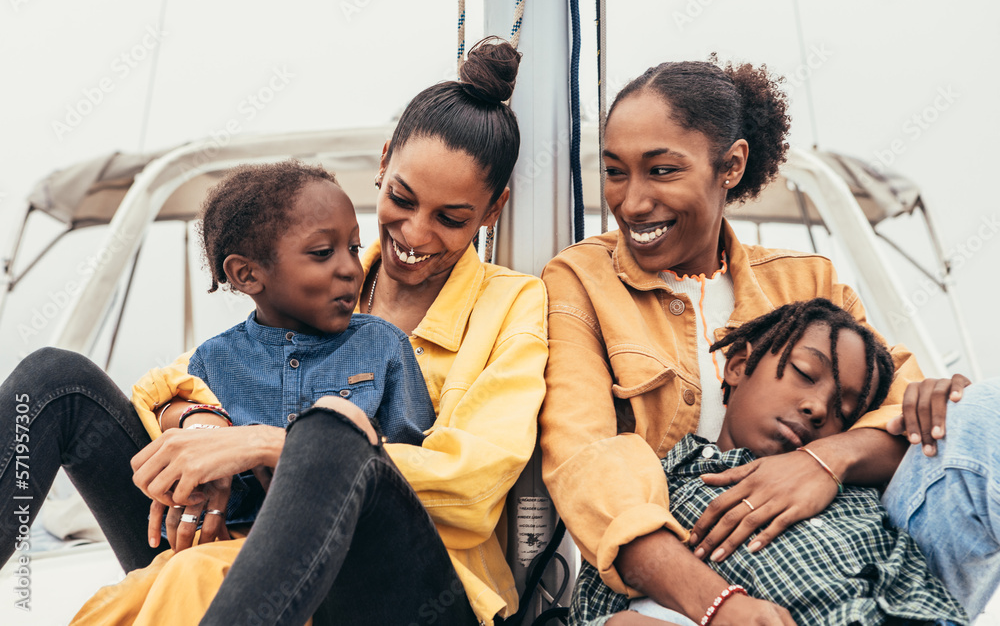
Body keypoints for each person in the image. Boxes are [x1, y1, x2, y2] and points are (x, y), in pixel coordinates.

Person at [2, 36, 547, 626]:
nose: (414, 234)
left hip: (400, 591)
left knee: (335, 432)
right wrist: (200, 424)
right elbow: (170, 381)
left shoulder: (512, 304)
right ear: (384, 163)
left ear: (493, 211)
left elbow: (471, 488)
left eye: (452, 218)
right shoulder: (316, 289)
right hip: (236, 540)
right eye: (401, 198)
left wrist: (269, 444)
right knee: (52, 381)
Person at [539, 57, 986, 625]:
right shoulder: (582, 280)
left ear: (730, 165)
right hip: (684, 583)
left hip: (843, 557)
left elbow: (905, 411)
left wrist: (826, 460)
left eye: (662, 171)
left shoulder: (810, 282)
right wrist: (719, 606)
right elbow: (586, 459)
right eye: (615, 171)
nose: (631, 202)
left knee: (982, 415)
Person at [568, 299, 968, 626]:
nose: (817, 408)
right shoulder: (661, 478)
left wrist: (949, 405)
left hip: (924, 615)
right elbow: (604, 600)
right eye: (804, 373)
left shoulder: (857, 486)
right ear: (739, 365)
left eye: (842, 412)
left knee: (981, 407)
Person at [141, 160, 436, 550]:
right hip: (231, 553)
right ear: (246, 275)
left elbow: (417, 478)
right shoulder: (211, 362)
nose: (351, 268)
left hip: (352, 552)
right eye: (322, 252)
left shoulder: (384, 347)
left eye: (353, 248)